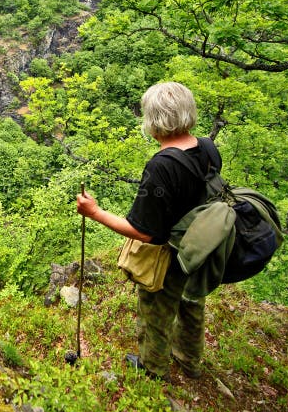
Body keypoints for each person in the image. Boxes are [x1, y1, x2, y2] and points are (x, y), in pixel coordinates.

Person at [76, 81, 221, 381]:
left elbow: (144, 232)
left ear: (153, 121)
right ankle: (189, 361)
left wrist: (95, 213)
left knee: (156, 311)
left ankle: (153, 368)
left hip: (171, 254)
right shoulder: (208, 148)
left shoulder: (162, 165)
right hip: (202, 246)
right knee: (193, 302)